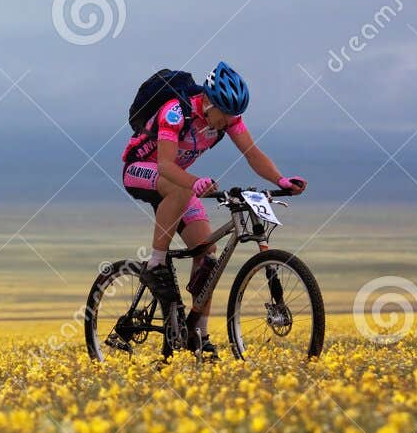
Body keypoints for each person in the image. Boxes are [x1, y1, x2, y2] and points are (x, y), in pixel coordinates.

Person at [121, 61, 306, 354]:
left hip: (178, 185)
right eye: (225, 113)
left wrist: (282, 179)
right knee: (182, 187)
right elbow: (165, 165)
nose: (228, 121)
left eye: (235, 115)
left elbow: (252, 154)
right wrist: (195, 181)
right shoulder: (175, 111)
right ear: (208, 101)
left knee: (207, 254)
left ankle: (199, 336)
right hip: (141, 170)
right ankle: (155, 265)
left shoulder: (228, 119)